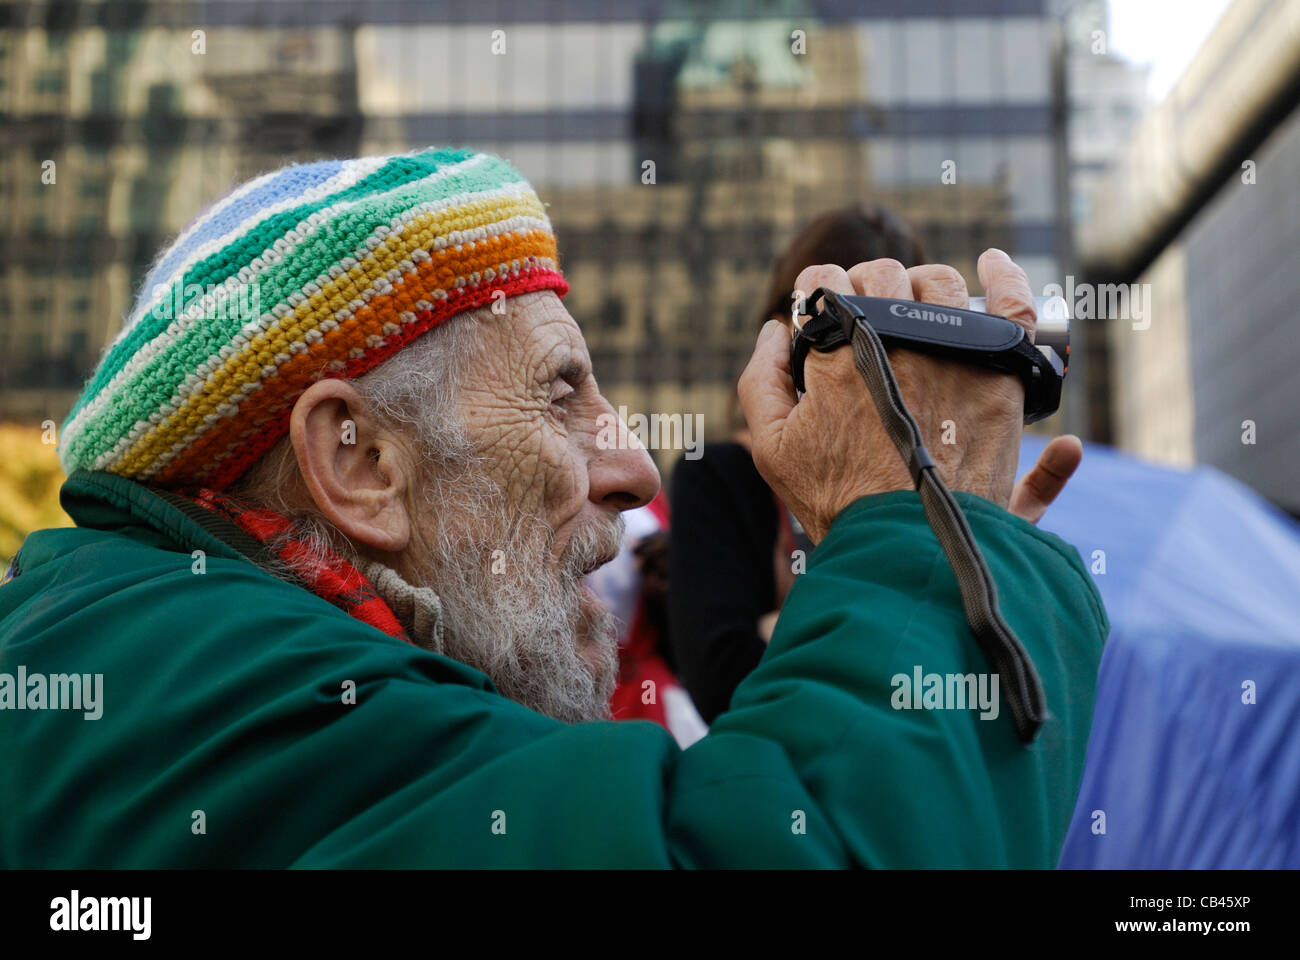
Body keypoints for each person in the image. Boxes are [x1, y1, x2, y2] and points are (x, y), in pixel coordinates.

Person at [0, 147, 1106, 867]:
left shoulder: (164, 659)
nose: (635, 472)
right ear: (359, 461)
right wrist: (921, 542)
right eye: (561, 392)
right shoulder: (241, 710)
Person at [670, 204, 1087, 724]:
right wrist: (937, 579)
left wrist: (984, 580)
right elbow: (722, 680)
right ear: (781, 325)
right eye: (827, 324)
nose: (858, 359)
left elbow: (985, 705)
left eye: (892, 322)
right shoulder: (719, 471)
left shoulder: (958, 474)